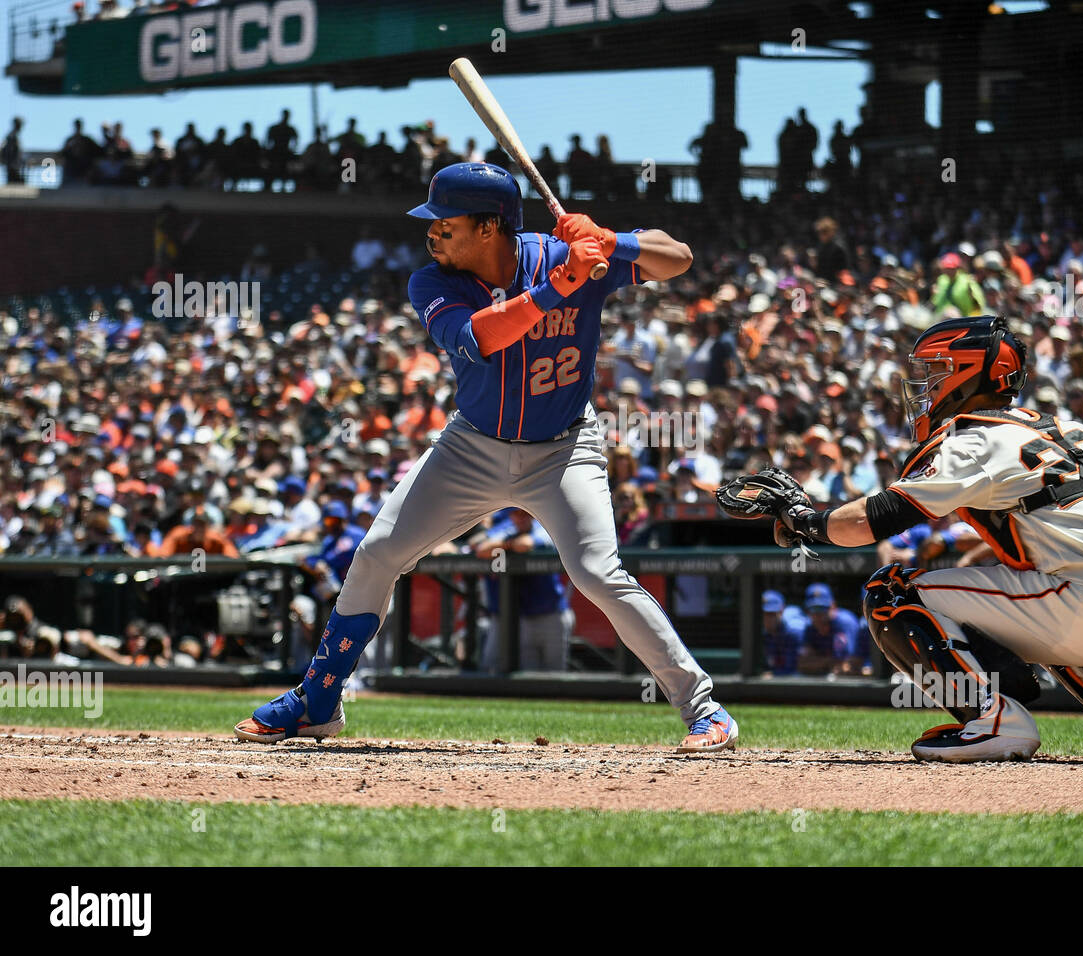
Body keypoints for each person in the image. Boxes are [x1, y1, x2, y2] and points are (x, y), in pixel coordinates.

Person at [236, 162, 737, 752]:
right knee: (376, 554)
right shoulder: (433, 282)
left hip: (564, 448)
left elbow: (677, 257)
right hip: (470, 446)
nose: (432, 234)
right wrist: (562, 285)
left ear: (489, 226)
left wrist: (610, 241)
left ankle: (705, 710)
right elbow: (480, 337)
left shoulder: (561, 252)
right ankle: (318, 699)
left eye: (445, 223)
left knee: (597, 573)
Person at [720, 315, 1083, 762]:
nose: (927, 384)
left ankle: (994, 720)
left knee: (892, 593)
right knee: (1046, 579)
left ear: (969, 371)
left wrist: (805, 520)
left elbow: (878, 518)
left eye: (936, 370)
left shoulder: (975, 437)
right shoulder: (1076, 431)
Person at [474, 509, 573, 672]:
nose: (521, 518)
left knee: (555, 672)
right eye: (517, 514)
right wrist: (509, 543)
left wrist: (506, 545)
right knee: (529, 673)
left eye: (525, 514)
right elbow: (482, 548)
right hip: (525, 616)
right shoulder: (509, 529)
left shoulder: (544, 527)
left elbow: (525, 544)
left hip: (552, 614)